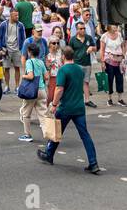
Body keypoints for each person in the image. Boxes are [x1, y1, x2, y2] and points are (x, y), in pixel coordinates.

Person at [37, 46, 101, 174]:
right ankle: (93, 163)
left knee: (56, 131)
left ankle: (49, 155)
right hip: (79, 107)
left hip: (66, 107)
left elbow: (59, 89)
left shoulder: (63, 70)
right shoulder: (79, 69)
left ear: (63, 57)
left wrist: (54, 104)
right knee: (85, 135)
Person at [17, 42, 49, 142]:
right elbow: (46, 76)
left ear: (29, 52)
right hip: (42, 90)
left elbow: (30, 76)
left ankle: (27, 135)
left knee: (26, 114)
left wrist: (23, 76)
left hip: (32, 91)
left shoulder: (29, 62)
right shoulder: (41, 62)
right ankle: (48, 135)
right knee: (43, 115)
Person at [68, 22, 98, 108]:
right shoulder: (73, 40)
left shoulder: (88, 38)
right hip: (77, 64)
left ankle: (87, 100)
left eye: (84, 28)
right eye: (81, 29)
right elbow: (69, 53)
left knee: (86, 82)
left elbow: (96, 48)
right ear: (77, 30)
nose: (83, 30)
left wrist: (92, 48)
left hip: (87, 64)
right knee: (77, 84)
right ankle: (76, 101)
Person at [0, 11, 25, 94]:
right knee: (6, 68)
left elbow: (23, 37)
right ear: (10, 15)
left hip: (17, 49)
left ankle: (17, 86)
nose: (17, 17)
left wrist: (23, 49)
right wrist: (0, 49)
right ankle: (7, 86)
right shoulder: (3, 24)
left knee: (17, 67)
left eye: (18, 15)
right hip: (6, 49)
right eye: (15, 15)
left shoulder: (20, 25)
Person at [100, 23, 127, 107]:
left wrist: (124, 57)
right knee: (110, 79)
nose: (116, 27)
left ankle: (120, 99)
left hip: (119, 60)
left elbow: (122, 46)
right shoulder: (104, 36)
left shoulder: (119, 35)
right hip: (109, 60)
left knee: (120, 79)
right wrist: (102, 62)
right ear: (109, 27)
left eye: (116, 26)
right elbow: (102, 50)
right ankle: (109, 99)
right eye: (114, 26)